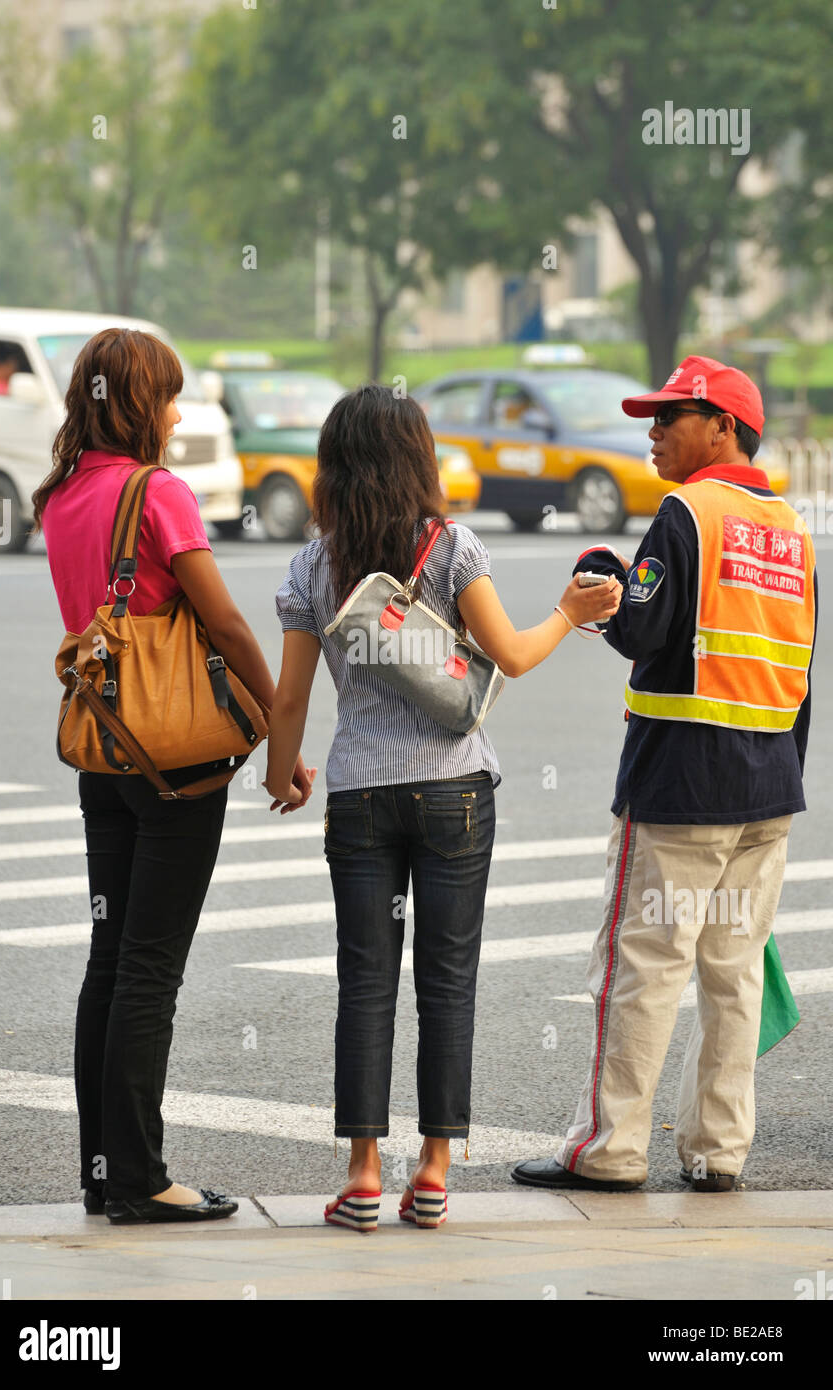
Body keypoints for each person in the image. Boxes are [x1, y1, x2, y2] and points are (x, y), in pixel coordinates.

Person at [266, 383, 622, 1230]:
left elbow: (289, 700)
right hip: (454, 790)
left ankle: (360, 1174)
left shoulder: (313, 565)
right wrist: (568, 614)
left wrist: (284, 773)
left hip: (357, 793)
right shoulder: (452, 547)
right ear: (418, 460)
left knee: (364, 982)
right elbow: (511, 657)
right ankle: (431, 1170)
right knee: (447, 981)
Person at [511, 356, 817, 1194]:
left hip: (681, 788)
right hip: (767, 794)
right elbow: (801, 675)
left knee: (641, 968)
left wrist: (607, 576)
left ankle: (609, 1151)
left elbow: (642, 631)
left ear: (724, 428)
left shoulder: (687, 512)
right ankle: (719, 1153)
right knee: (735, 975)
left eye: (671, 416)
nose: (652, 432)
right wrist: (783, 782)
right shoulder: (791, 528)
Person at [33, 327, 316, 1224]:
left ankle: (104, 1171)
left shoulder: (60, 495)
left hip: (105, 750)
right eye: (168, 397)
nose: (176, 412)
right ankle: (144, 1180)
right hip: (179, 766)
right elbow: (227, 626)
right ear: (138, 404)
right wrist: (280, 731)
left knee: (109, 963)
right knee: (152, 970)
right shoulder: (159, 494)